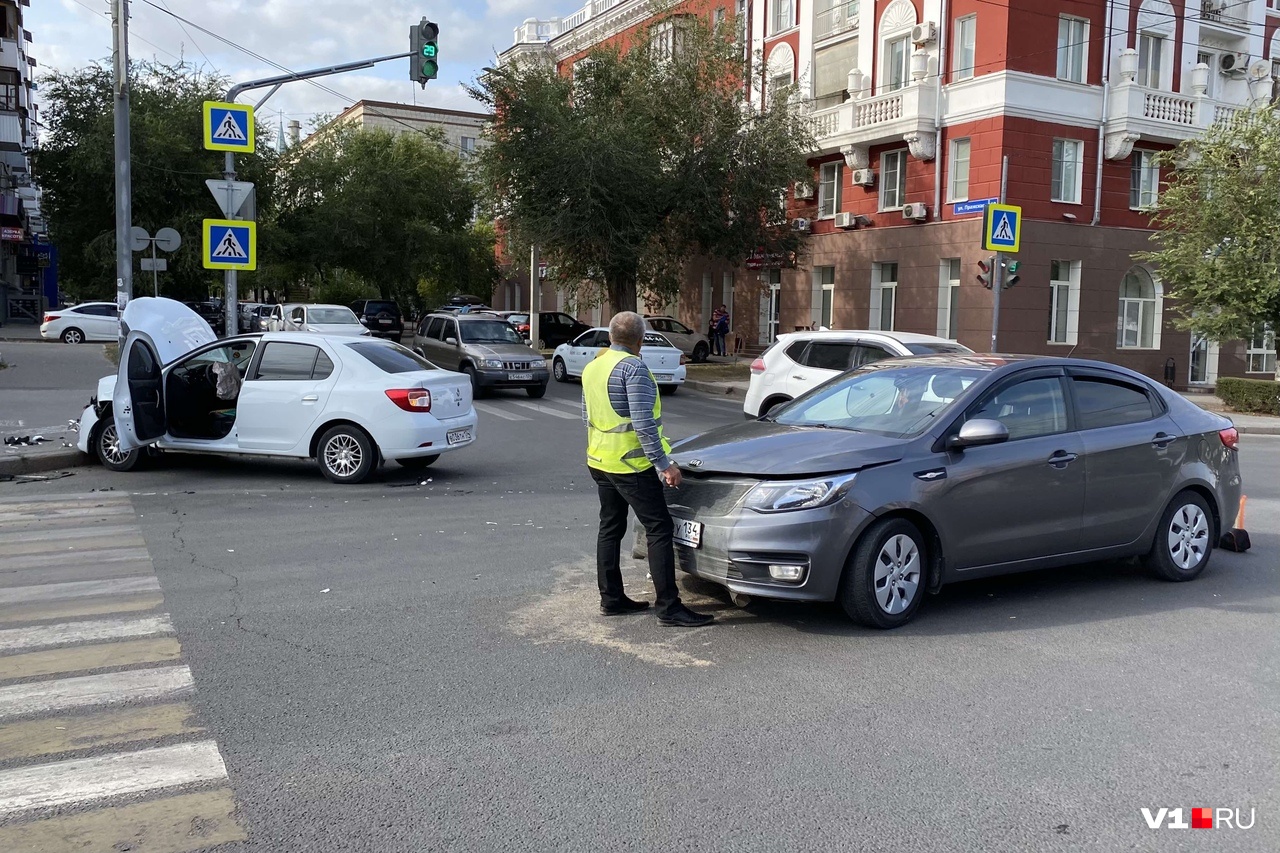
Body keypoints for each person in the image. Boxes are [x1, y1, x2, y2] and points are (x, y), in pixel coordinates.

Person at [581, 312, 715, 627]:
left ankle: (611, 600)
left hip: (599, 462)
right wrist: (663, 464)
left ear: (611, 337)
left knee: (610, 528)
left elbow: (587, 415)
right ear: (641, 340)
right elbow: (643, 424)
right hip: (632, 464)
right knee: (659, 528)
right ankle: (669, 606)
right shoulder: (634, 368)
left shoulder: (593, 366)